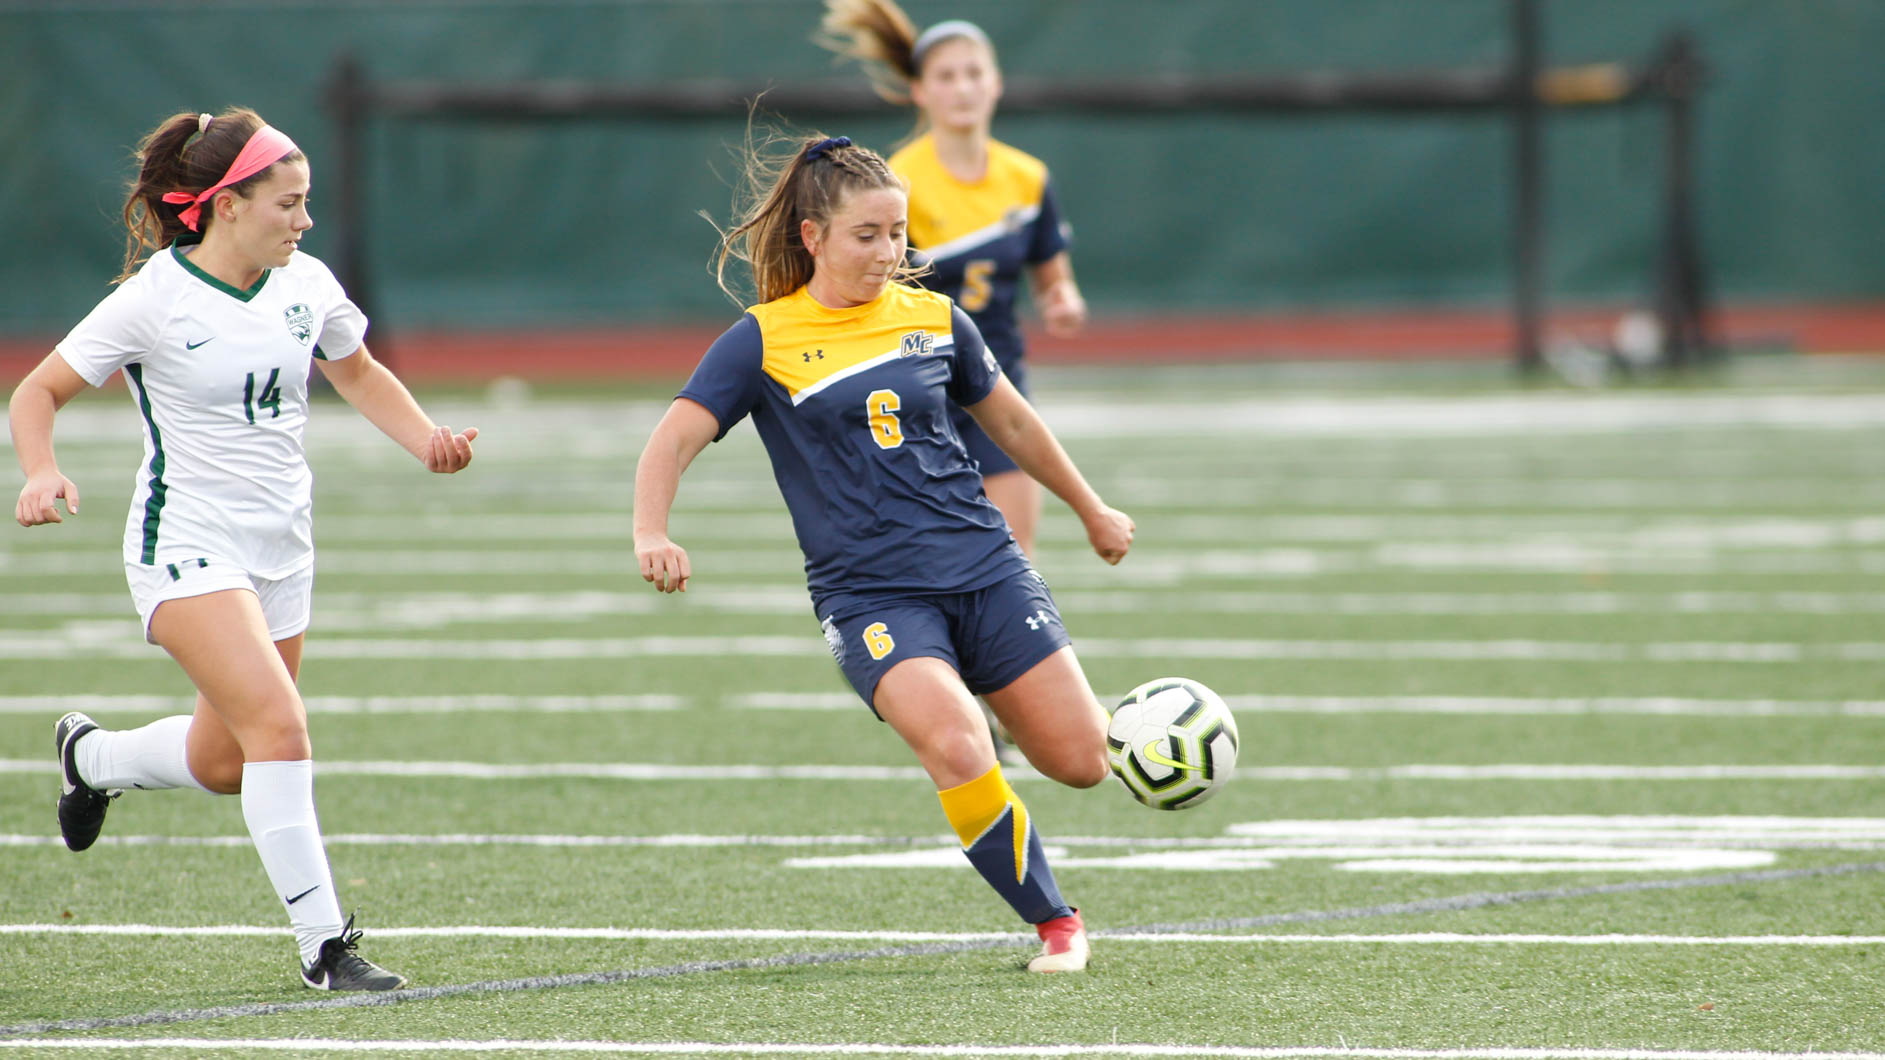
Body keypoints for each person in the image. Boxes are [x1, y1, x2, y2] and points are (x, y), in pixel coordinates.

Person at [632, 131, 1132, 973]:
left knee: (1082, 763)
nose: (887, 251)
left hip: (985, 570)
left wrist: (1088, 507)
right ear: (812, 237)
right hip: (873, 600)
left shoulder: (936, 320)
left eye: (897, 233)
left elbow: (1010, 422)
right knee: (957, 742)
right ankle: (1056, 922)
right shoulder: (763, 339)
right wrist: (652, 530)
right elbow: (671, 440)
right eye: (866, 235)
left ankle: (1024, 690)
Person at [10, 107, 479, 992]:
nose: (304, 221)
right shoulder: (157, 296)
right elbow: (39, 390)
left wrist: (425, 440)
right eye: (288, 203)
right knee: (280, 729)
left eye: (307, 203)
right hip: (184, 542)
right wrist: (41, 471)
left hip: (282, 546)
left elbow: (357, 370)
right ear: (228, 204)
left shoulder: (307, 284)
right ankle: (325, 946)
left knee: (227, 762)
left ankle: (91, 759)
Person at [817, 0, 1088, 561]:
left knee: (1015, 563)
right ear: (920, 91)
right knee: (925, 562)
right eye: (946, 76)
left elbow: (1053, 280)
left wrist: (1062, 300)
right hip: (917, 388)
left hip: (996, 383)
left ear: (996, 84)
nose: (963, 87)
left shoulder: (1027, 178)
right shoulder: (898, 182)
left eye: (974, 73)